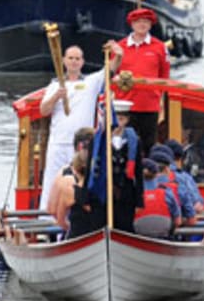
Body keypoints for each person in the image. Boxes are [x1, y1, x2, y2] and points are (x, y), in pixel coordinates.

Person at [38, 44, 123, 211]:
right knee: (52, 182)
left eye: (77, 58)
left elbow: (110, 69)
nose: (74, 62)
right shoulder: (54, 85)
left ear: (82, 62)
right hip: (58, 143)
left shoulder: (91, 82)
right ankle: (47, 221)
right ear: (63, 60)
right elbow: (43, 110)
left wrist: (118, 55)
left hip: (81, 145)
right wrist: (56, 96)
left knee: (81, 180)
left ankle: (78, 216)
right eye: (70, 58)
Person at [111, 7, 170, 153]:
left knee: (148, 145)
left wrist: (156, 97)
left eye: (145, 21)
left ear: (150, 25)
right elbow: (111, 74)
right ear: (132, 24)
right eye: (138, 22)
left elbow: (164, 77)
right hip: (124, 106)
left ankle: (146, 173)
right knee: (122, 146)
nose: (142, 25)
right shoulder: (120, 47)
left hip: (149, 106)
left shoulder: (160, 47)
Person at [86, 99, 142, 233]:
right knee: (100, 225)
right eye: (114, 119)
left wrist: (139, 201)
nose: (117, 123)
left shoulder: (134, 141)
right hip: (102, 191)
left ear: (127, 120)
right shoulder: (98, 140)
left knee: (124, 226)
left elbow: (138, 172)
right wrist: (85, 198)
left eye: (121, 119)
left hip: (125, 194)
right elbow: (90, 168)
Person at [132, 159, 179, 238]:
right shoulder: (167, 192)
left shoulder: (132, 194)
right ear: (157, 174)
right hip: (164, 237)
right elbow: (178, 221)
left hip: (138, 237)